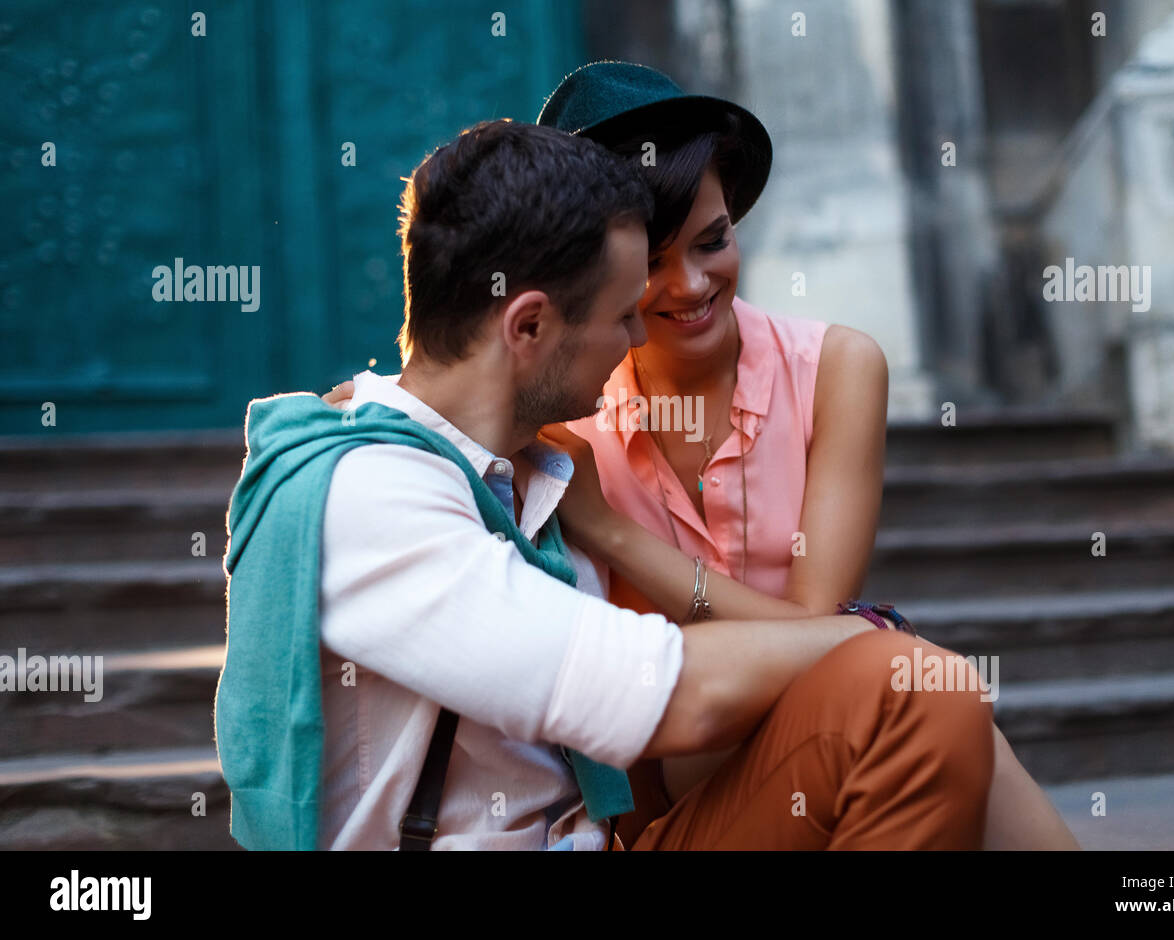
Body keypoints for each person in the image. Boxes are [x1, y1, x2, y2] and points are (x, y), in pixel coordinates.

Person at [233, 117, 997, 851]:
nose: (639, 339)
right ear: (528, 328)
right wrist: (878, 635)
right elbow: (670, 696)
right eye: (624, 314)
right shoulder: (371, 494)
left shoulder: (533, 461)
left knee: (920, 698)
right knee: (913, 683)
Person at [531, 61, 1080, 849]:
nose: (690, 284)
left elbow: (820, 633)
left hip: (832, 725)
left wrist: (614, 534)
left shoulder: (838, 369)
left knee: (920, 699)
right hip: (665, 803)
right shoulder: (565, 416)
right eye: (652, 261)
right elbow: (440, 386)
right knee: (920, 693)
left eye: (713, 241)